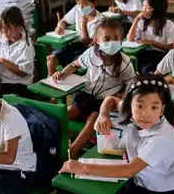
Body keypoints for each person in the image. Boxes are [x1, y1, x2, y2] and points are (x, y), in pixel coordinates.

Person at [53, 18, 137, 158]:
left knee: (93, 118)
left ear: (121, 39)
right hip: (86, 96)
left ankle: (71, 153)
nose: (111, 42)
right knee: (69, 111)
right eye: (107, 38)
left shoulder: (124, 62)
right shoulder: (91, 53)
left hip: (106, 102)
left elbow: (130, 86)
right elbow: (76, 65)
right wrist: (62, 73)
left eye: (116, 38)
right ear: (97, 40)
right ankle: (53, 142)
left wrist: (119, 97)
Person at [48, 0, 104, 76]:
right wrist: (60, 26)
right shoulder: (77, 9)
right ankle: (50, 83)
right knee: (50, 60)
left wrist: (84, 25)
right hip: (75, 45)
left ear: (93, 3)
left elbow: (87, 43)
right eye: (78, 3)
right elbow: (63, 21)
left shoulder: (100, 21)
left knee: (71, 70)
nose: (81, 7)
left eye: (85, 4)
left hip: (87, 50)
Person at [127, 0, 174, 73]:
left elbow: (171, 48)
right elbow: (130, 38)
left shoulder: (169, 25)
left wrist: (152, 43)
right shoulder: (142, 22)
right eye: (143, 7)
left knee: (146, 70)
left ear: (157, 9)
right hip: (143, 53)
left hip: (160, 56)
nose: (144, 11)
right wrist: (137, 18)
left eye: (148, 8)